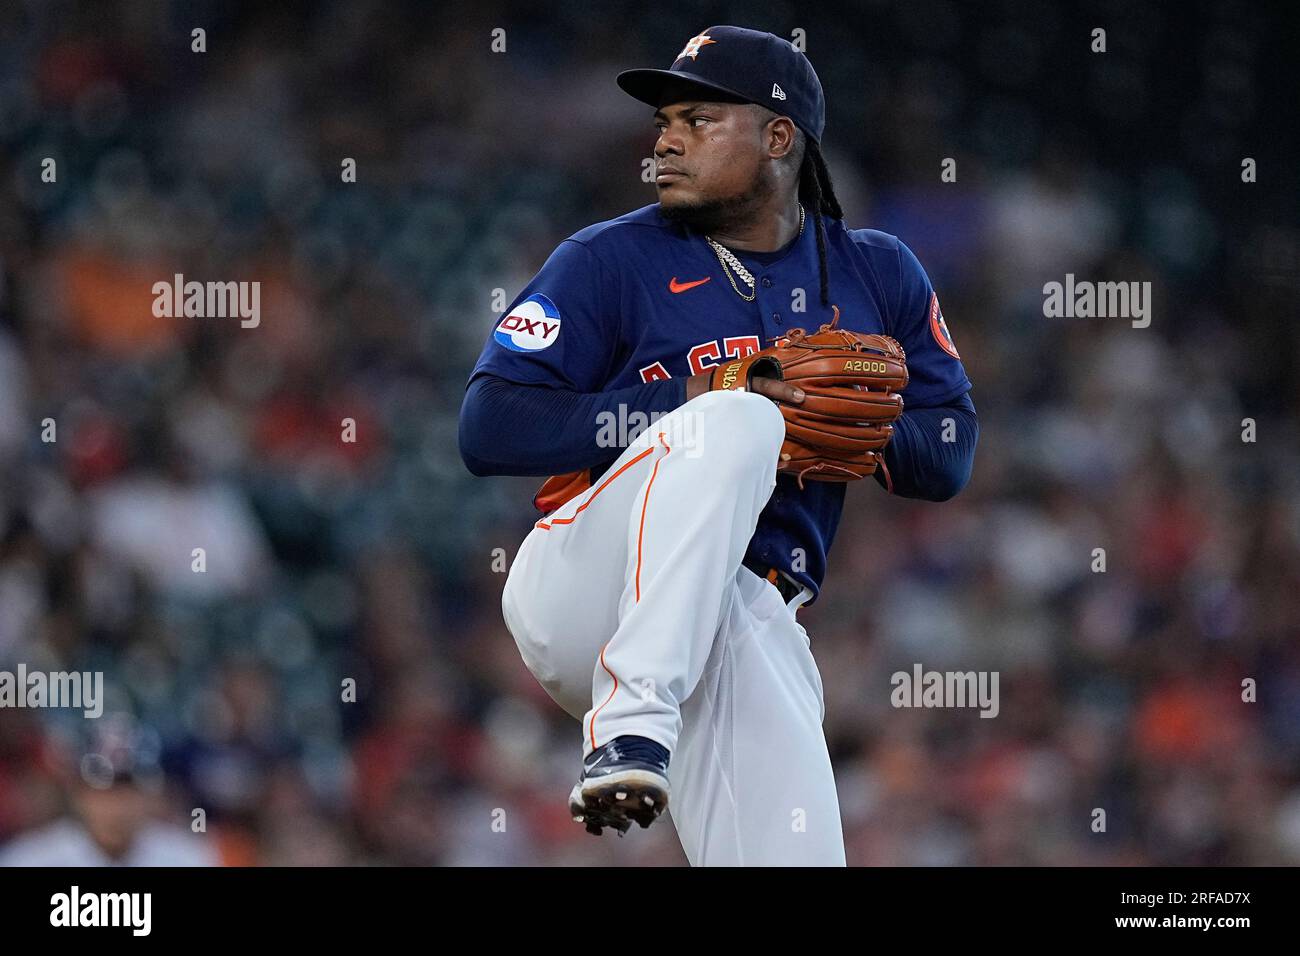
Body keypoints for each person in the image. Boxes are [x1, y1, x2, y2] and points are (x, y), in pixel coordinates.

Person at [459, 25, 977, 865]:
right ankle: (627, 730)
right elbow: (489, 427)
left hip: (744, 616)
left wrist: (837, 423)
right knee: (737, 417)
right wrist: (688, 397)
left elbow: (950, 451)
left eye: (697, 119)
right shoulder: (609, 260)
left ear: (779, 137)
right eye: (665, 120)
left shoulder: (876, 271)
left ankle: (645, 721)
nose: (665, 139)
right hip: (586, 585)